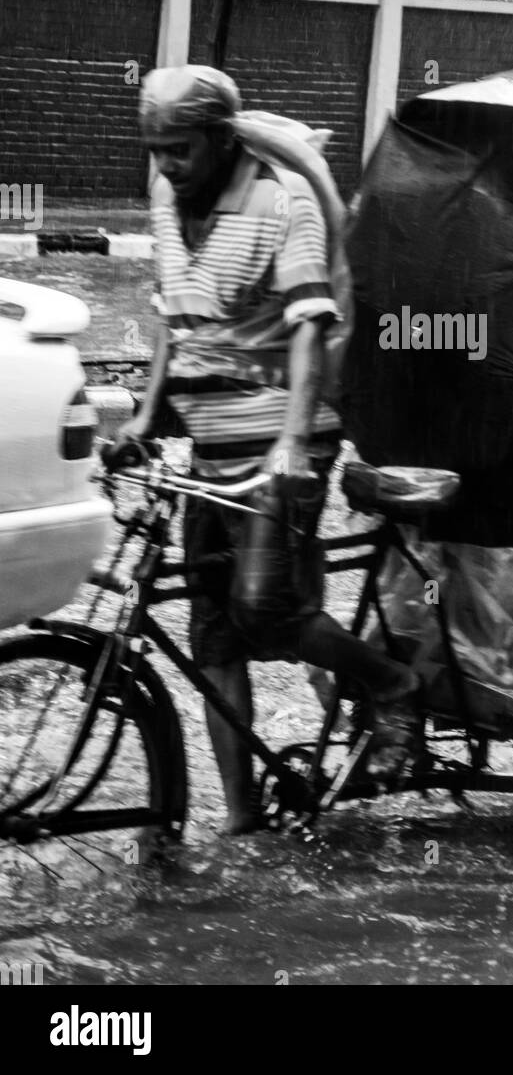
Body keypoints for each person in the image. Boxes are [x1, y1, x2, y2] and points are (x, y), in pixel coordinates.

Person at [110, 65, 419, 833]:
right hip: (209, 449)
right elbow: (171, 317)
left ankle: (390, 683)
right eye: (154, 150)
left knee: (263, 609)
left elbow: (311, 324)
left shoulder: (285, 204)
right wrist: (148, 415)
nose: (164, 167)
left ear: (218, 139)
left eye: (177, 150)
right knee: (214, 636)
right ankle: (243, 821)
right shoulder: (167, 198)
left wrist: (288, 445)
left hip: (288, 440)